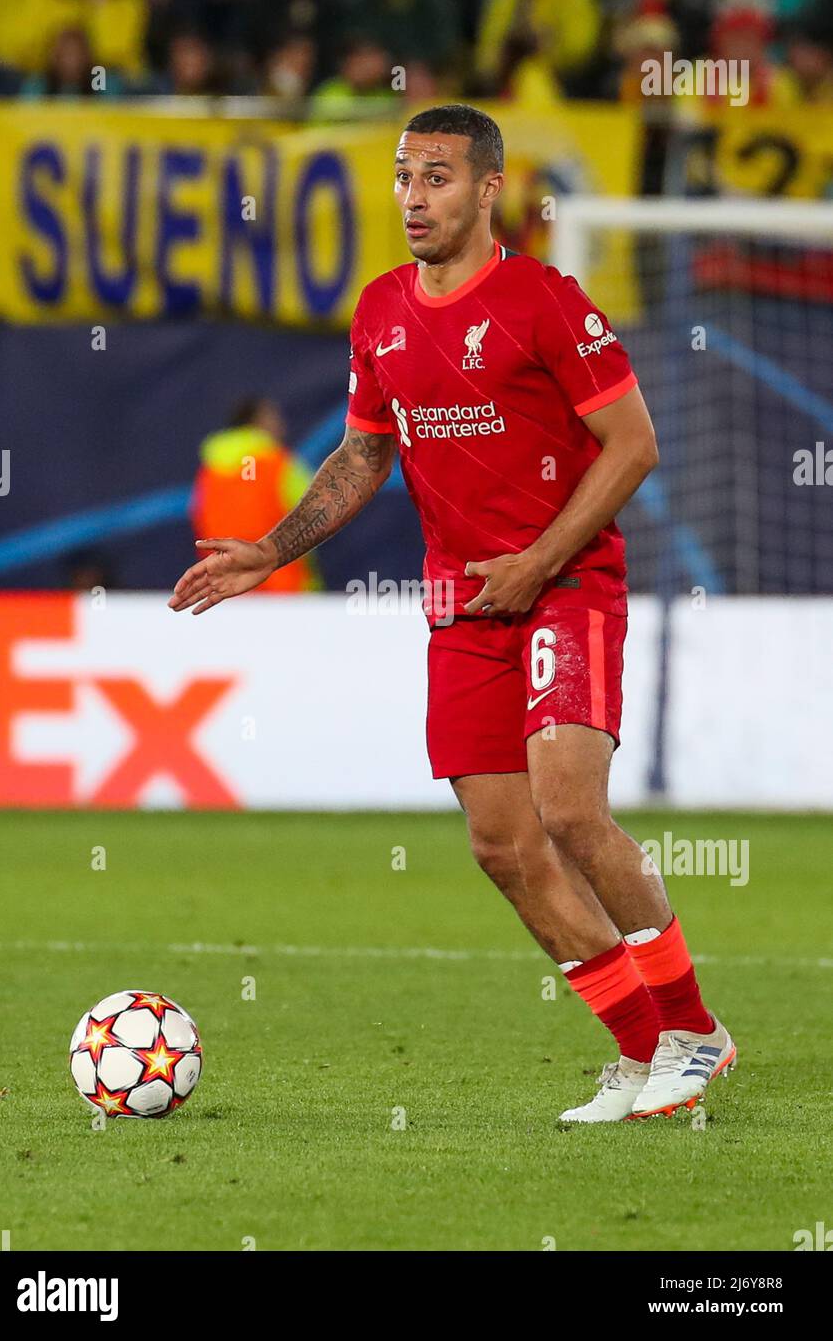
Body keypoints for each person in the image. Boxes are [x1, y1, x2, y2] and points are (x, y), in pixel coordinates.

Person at [169, 104, 736, 1123]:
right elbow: (360, 455)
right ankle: (641, 1050)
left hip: (564, 584)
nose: (411, 197)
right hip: (460, 602)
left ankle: (694, 1031)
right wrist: (269, 548)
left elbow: (633, 444)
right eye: (401, 176)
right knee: (501, 846)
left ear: (486, 190)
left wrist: (539, 561)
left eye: (434, 177)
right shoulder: (381, 309)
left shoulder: (545, 300)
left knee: (567, 808)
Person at [189, 397, 318, 594]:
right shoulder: (279, 464)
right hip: (283, 588)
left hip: (225, 588)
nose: (281, 424)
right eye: (273, 417)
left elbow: (199, 519)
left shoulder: (209, 472)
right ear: (259, 421)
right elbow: (319, 510)